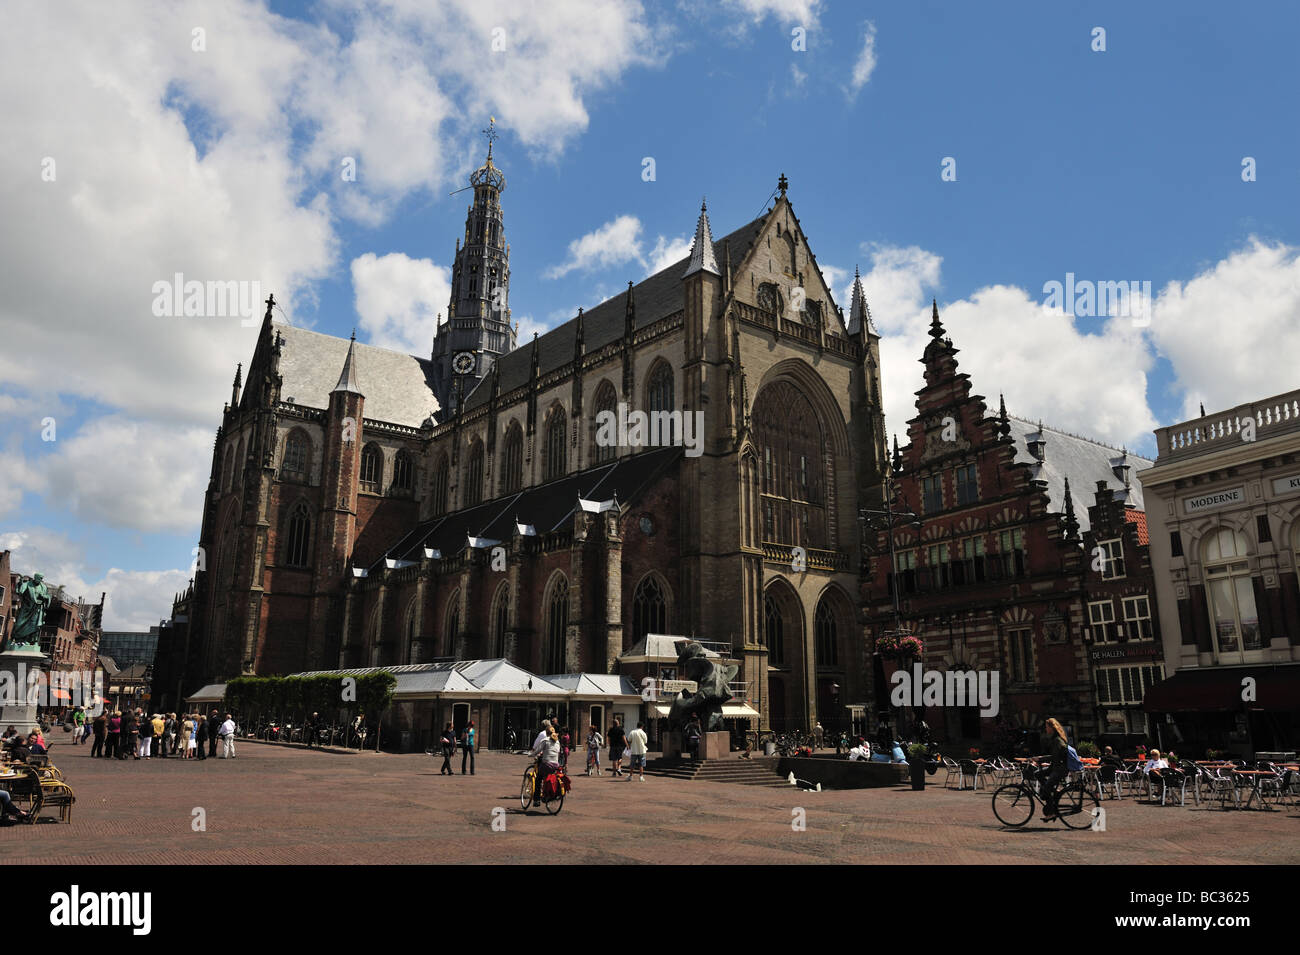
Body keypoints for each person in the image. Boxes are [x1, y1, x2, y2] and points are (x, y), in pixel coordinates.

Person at [1037, 717, 1070, 822]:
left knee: (1045, 790)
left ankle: (1051, 812)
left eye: (1047, 727)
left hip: (1060, 769)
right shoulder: (1056, 738)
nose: (1046, 729)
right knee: (1038, 774)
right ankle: (1052, 790)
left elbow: (1054, 757)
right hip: (1055, 767)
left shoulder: (1057, 740)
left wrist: (1040, 759)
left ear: (1052, 728)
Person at [529, 723, 562, 804]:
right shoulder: (557, 741)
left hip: (547, 764)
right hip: (556, 765)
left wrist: (530, 754)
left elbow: (537, 750)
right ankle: (547, 794)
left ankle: (536, 800)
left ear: (546, 733)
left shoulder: (545, 740)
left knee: (538, 779)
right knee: (548, 776)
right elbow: (556, 752)